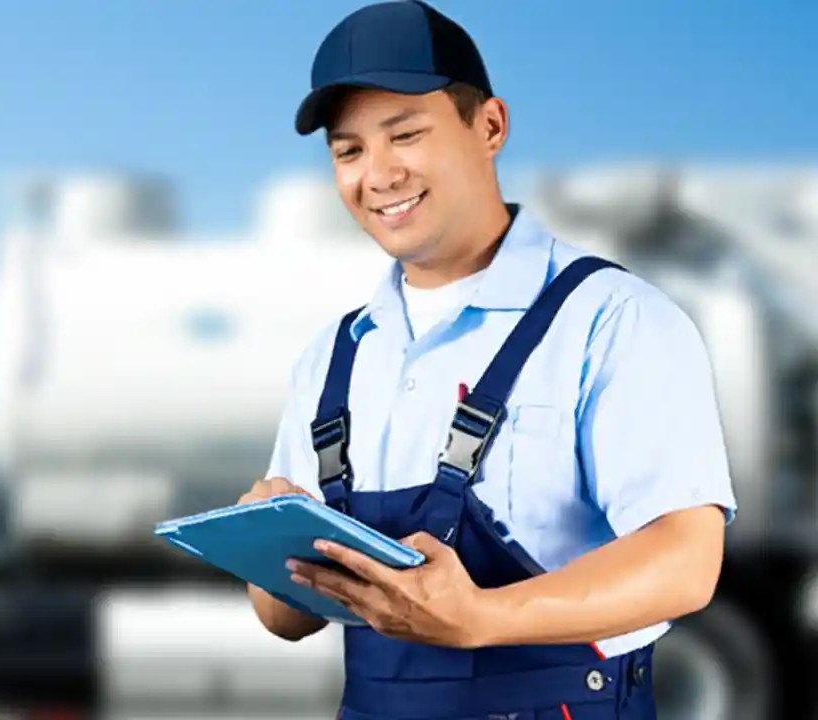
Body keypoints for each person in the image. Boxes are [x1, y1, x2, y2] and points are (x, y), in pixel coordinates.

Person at [238, 2, 737, 718]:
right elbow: (289, 619)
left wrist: (482, 617)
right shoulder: (334, 358)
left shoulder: (612, 320)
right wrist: (268, 544)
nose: (377, 174)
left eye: (405, 134)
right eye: (348, 151)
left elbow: (686, 563)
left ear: (490, 127)